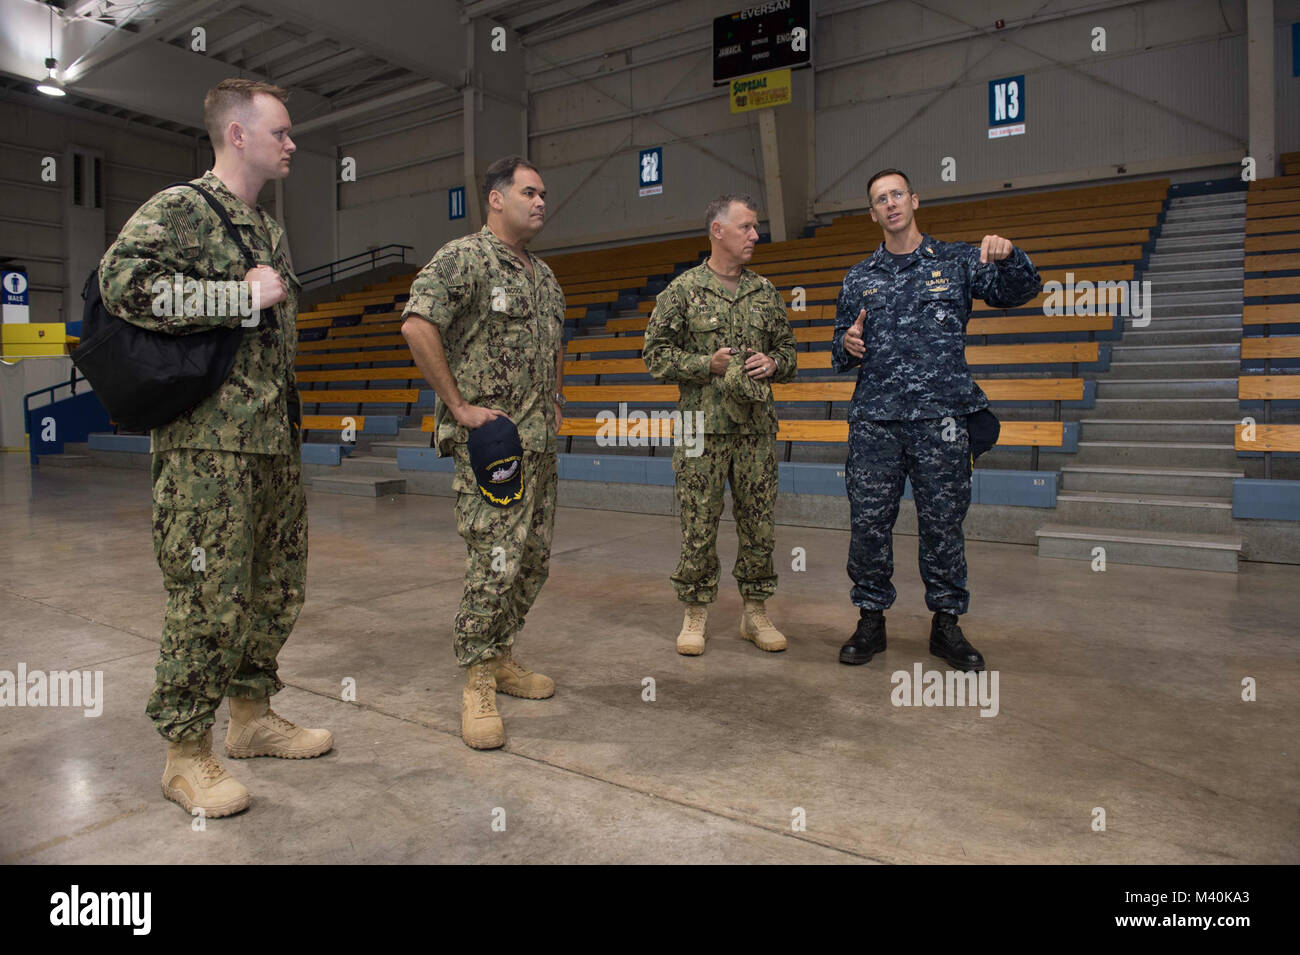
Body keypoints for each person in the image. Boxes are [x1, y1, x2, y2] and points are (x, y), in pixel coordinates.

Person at [99, 78, 331, 819]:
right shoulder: (182, 208)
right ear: (237, 135)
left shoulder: (268, 229)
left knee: (275, 584)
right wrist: (237, 296)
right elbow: (121, 283)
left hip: (272, 441)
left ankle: (251, 717)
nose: (291, 143)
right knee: (208, 596)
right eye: (280, 132)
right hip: (207, 448)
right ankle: (184, 754)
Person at [831, 168, 1042, 671]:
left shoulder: (957, 261)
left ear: (914, 200)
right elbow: (839, 350)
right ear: (873, 214)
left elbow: (1019, 290)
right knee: (868, 525)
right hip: (876, 422)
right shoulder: (859, 277)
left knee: (944, 525)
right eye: (880, 199)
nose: (890, 203)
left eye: (896, 194)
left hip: (942, 422)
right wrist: (847, 343)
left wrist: (1010, 255)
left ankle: (946, 624)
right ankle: (870, 620)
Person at [401, 156, 565, 750]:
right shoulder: (464, 259)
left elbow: (554, 344)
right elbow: (417, 324)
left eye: (543, 193)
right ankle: (476, 681)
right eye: (529, 192)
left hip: (538, 443)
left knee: (533, 561)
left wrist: (556, 396)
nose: (541, 201)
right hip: (492, 446)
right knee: (495, 562)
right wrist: (458, 405)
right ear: (496, 199)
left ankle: (499, 656)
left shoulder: (544, 277)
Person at [644, 194, 798, 656]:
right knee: (698, 522)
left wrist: (774, 363)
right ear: (718, 231)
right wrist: (704, 364)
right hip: (700, 427)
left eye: (755, 226)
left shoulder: (765, 292)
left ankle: (755, 611)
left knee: (759, 523)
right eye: (746, 226)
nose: (755, 235)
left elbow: (789, 353)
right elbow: (655, 356)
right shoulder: (682, 291)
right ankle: (695, 612)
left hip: (755, 428)